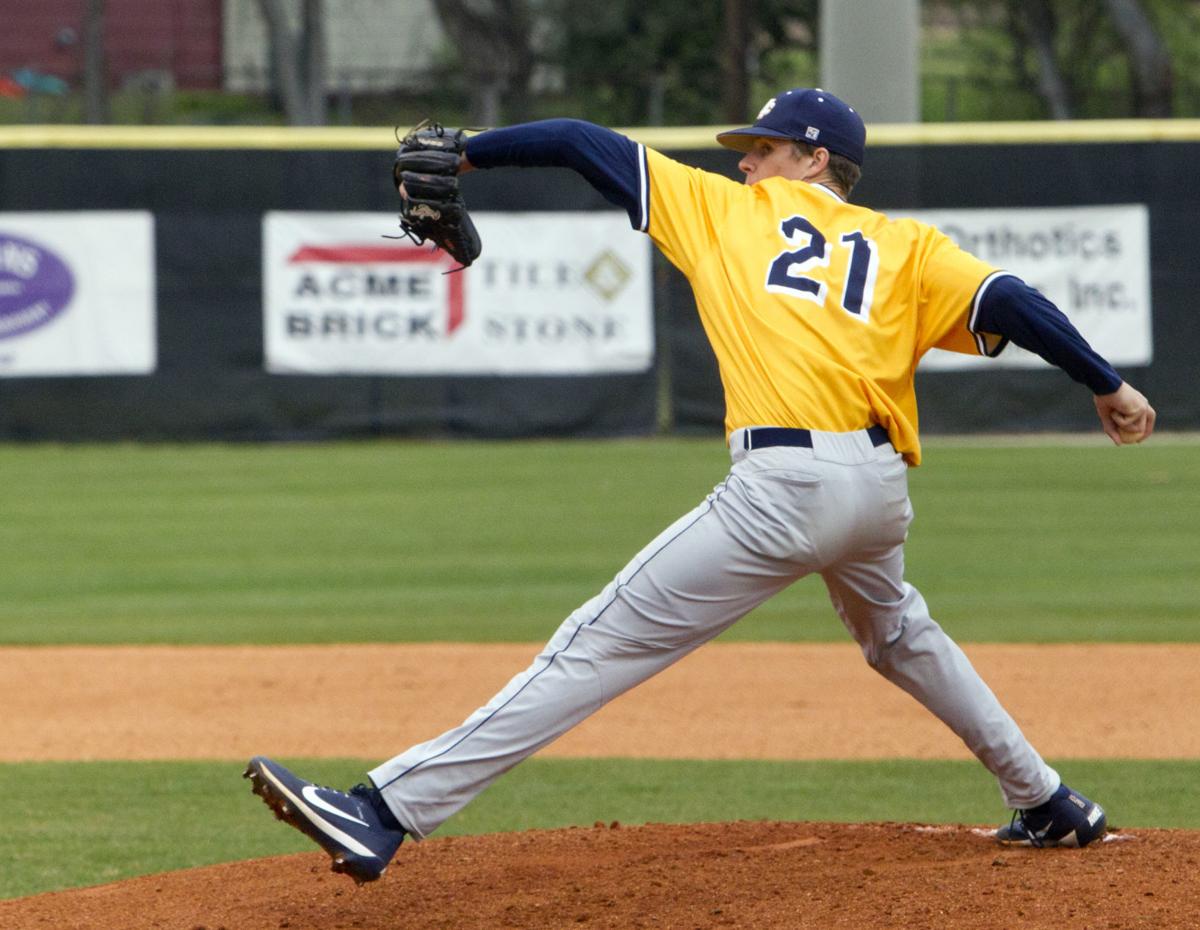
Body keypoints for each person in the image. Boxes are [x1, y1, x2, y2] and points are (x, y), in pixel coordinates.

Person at [245, 88, 1155, 883]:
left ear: (815, 159)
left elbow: (573, 139)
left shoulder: (729, 212)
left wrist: (473, 151)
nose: (746, 162)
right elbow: (1011, 302)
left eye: (761, 148)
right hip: (877, 490)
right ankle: (1045, 801)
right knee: (899, 635)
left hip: (783, 488)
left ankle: (382, 811)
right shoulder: (906, 246)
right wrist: (1105, 382)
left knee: (595, 644)